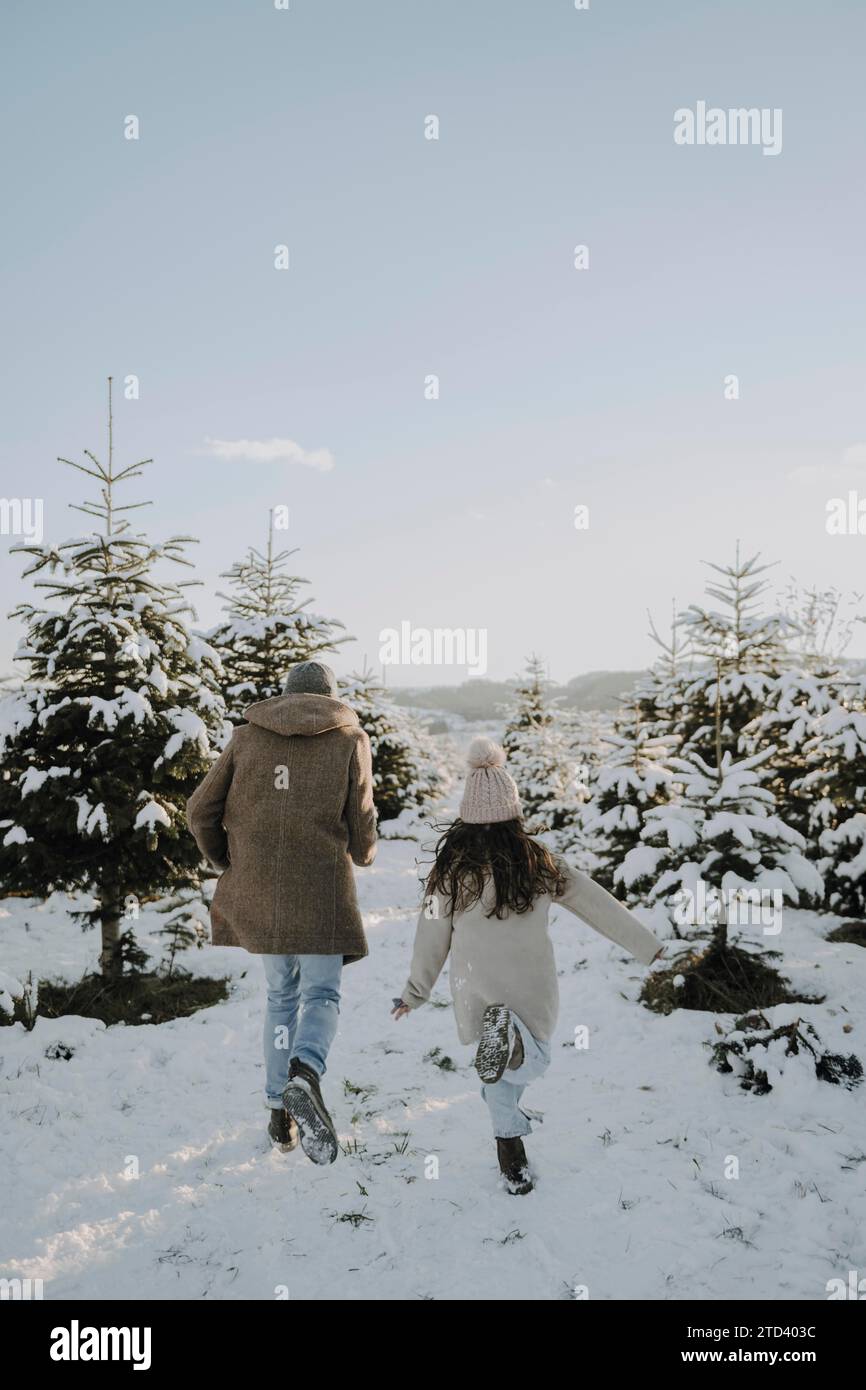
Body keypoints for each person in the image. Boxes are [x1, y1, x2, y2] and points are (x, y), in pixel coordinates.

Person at [392, 736, 663, 1195]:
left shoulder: (451, 872)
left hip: (475, 987)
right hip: (532, 985)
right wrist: (647, 945)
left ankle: (509, 1118)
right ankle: (510, 1145)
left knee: (496, 1070)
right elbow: (599, 904)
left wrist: (415, 992)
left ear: (467, 819)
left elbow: (431, 937)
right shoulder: (539, 863)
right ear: (515, 815)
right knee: (526, 1063)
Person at [187, 660, 377, 1164]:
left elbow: (198, 809)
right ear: (331, 698)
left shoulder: (247, 738)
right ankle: (306, 1073)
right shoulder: (349, 738)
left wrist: (229, 860)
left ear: (286, 694)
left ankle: (279, 1114)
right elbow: (360, 819)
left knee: (280, 998)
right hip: (321, 890)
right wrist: (365, 852)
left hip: (263, 893)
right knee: (322, 993)